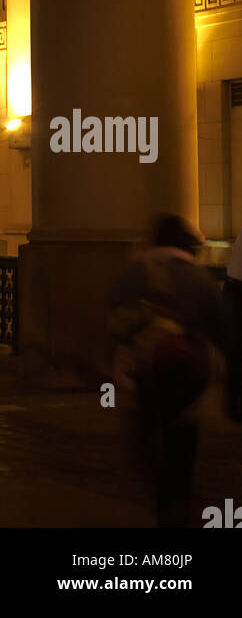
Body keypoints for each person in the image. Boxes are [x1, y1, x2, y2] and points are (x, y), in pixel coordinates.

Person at [109, 213, 230, 527]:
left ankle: (161, 487)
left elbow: (116, 321)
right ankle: (178, 497)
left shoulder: (135, 273)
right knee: (183, 438)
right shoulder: (200, 278)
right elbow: (220, 328)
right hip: (192, 371)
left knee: (147, 430)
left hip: (148, 368)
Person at [224, 227, 242, 420]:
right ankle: (233, 403)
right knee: (235, 349)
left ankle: (233, 403)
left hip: (234, 287)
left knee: (235, 349)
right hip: (236, 289)